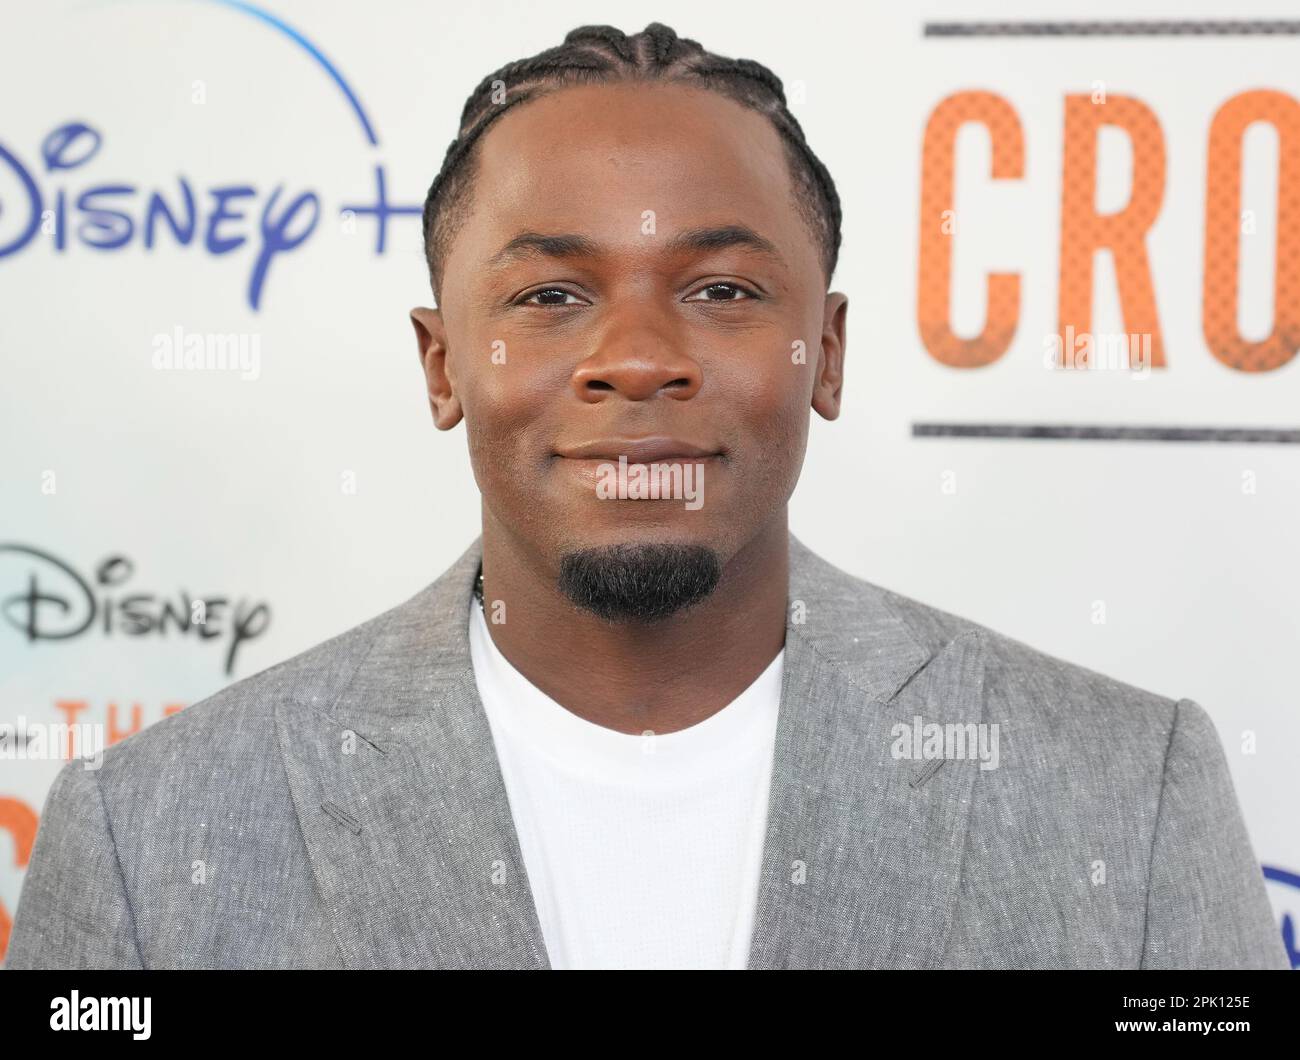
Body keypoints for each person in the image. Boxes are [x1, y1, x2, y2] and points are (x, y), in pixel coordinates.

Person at [6, 22, 1285, 970]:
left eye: (722, 290)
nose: (636, 356)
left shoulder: (1131, 793)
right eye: (551, 296)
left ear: (824, 352)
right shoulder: (146, 838)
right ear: (442, 363)